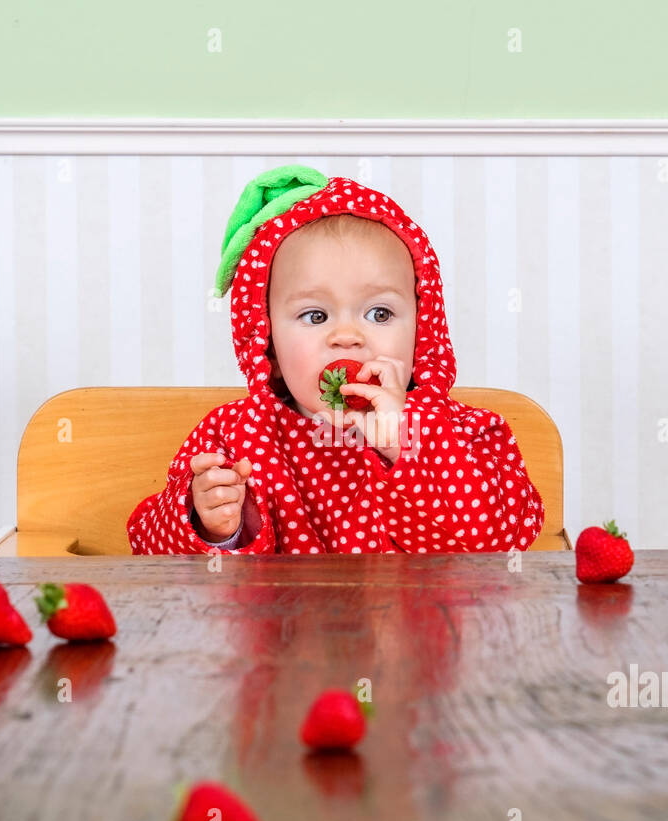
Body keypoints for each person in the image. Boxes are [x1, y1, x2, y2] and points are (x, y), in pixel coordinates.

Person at [127, 164, 544, 554]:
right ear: (266, 342)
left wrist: (409, 447)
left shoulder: (462, 434)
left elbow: (500, 541)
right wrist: (213, 526)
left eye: (379, 314)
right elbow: (147, 544)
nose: (347, 337)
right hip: (287, 631)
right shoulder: (233, 439)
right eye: (315, 316)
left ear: (422, 331)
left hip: (417, 630)